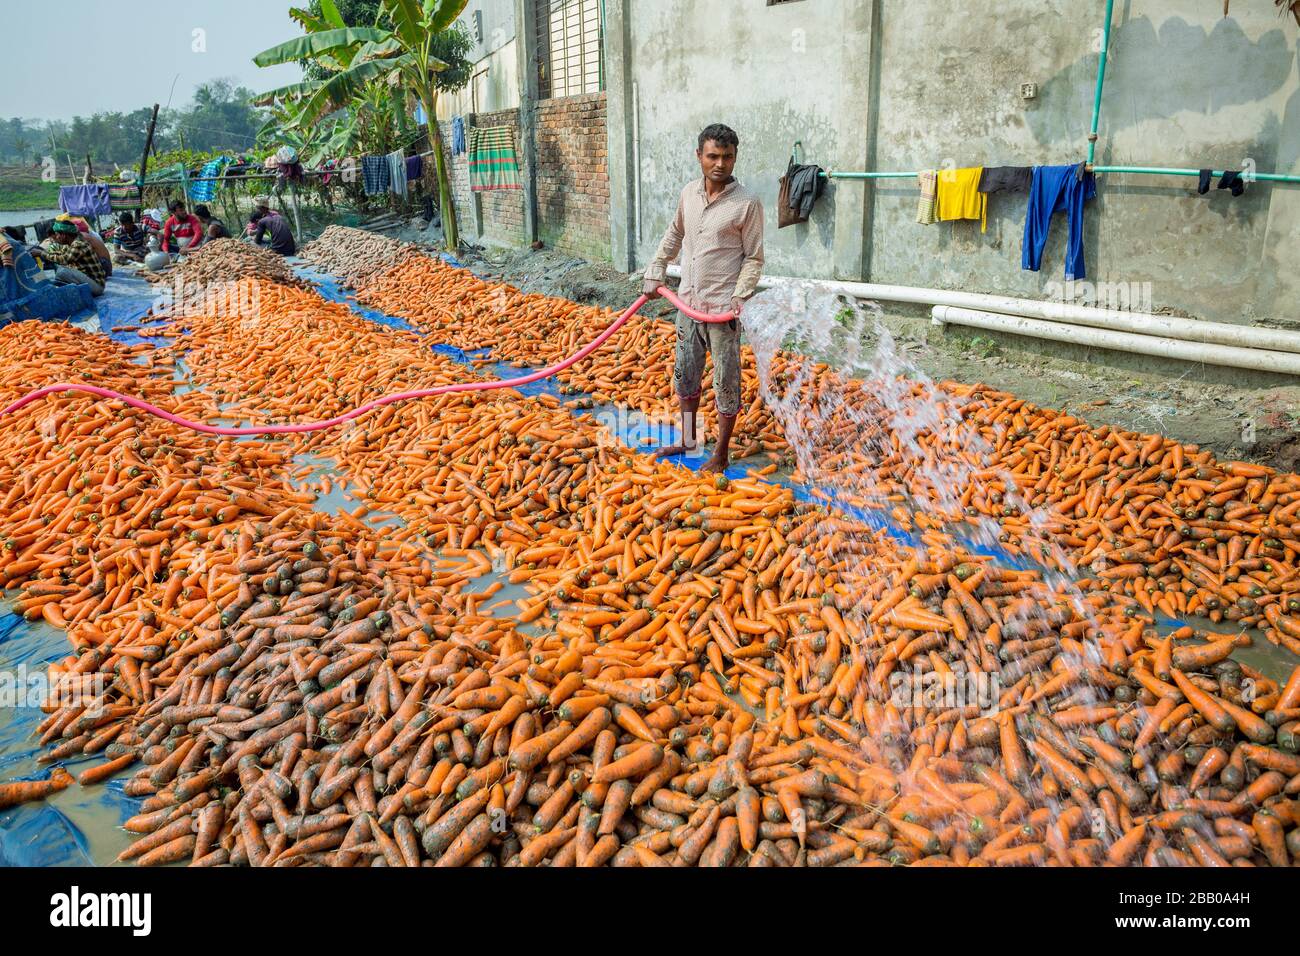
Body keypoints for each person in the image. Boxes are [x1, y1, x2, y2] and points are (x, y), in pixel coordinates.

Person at [642, 123, 764, 473]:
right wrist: (657, 267)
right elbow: (675, 232)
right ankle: (690, 438)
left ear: (735, 157)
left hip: (723, 311)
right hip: (687, 304)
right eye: (713, 156)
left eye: (727, 157)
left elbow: (754, 257)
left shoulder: (746, 204)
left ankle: (721, 453)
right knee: (685, 375)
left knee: (726, 381)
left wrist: (742, 294)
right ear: (699, 156)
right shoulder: (688, 194)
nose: (720, 164)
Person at [36, 219, 106, 295]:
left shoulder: (79, 244)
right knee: (58, 270)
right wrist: (43, 252)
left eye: (57, 234)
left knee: (62, 271)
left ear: (64, 235)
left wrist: (41, 253)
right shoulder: (69, 244)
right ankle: (41, 283)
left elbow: (64, 259)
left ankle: (52, 291)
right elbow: (60, 254)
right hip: (88, 281)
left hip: (97, 286)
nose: (57, 237)